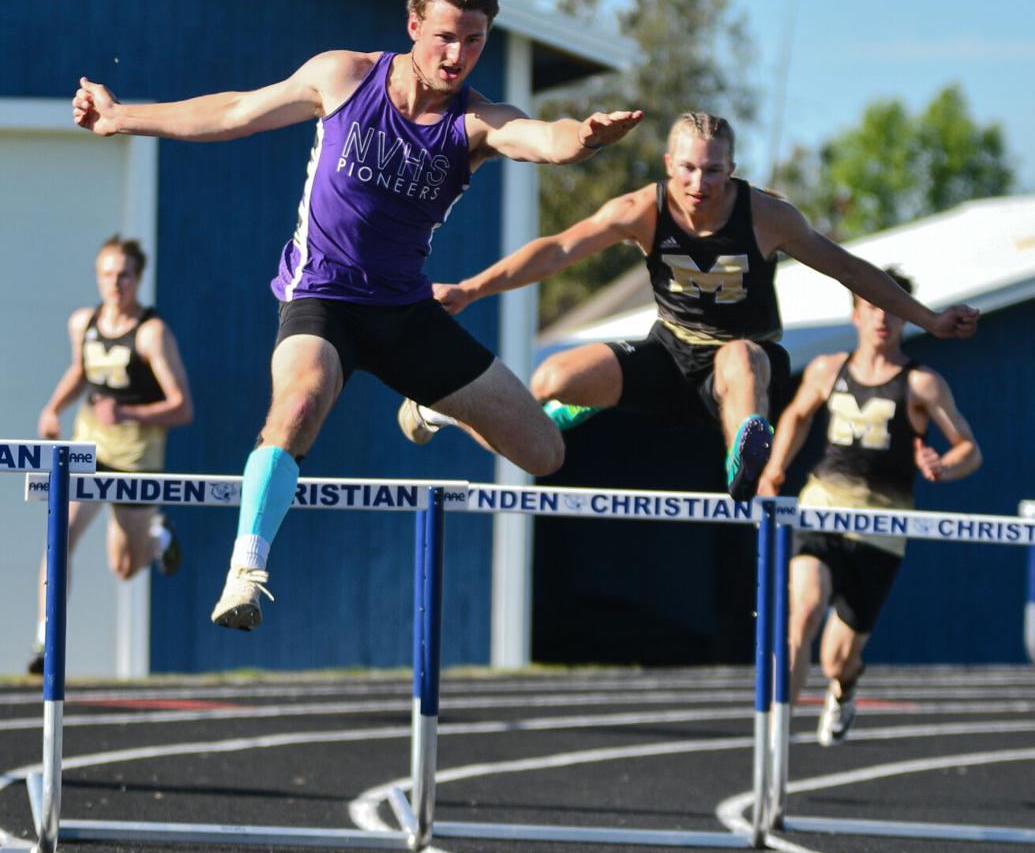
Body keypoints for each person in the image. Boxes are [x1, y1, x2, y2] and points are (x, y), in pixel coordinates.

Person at [72, 0, 642, 633]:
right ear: (413, 26)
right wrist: (122, 117)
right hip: (323, 297)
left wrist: (579, 138)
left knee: (546, 451)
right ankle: (246, 567)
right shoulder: (344, 75)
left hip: (404, 312)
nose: (458, 55)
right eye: (445, 37)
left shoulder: (475, 123)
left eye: (474, 40)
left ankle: (430, 410)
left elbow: (541, 138)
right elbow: (233, 110)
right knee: (299, 400)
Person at [398, 112, 979, 505]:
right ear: (668, 164)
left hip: (743, 363)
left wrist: (927, 319)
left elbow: (850, 270)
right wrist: (470, 289)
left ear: (733, 168)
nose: (700, 183)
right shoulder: (640, 210)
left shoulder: (768, 215)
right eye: (688, 168)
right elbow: (557, 252)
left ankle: (743, 459)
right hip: (668, 352)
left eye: (715, 170)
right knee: (552, 378)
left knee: (740, 357)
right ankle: (449, 413)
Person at [757, 269, 981, 745]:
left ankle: (846, 683)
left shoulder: (922, 384)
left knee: (838, 656)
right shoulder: (826, 369)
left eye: (893, 309)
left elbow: (970, 450)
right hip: (821, 510)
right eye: (873, 307)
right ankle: (773, 746)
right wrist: (773, 472)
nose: (882, 317)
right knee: (803, 613)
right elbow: (796, 415)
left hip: (881, 527)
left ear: (905, 319)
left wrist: (944, 465)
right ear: (856, 314)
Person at [31, 235, 194, 673]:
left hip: (136, 460)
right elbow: (82, 370)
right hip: (88, 452)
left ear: (138, 278)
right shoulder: (83, 322)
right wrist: (52, 408)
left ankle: (159, 538)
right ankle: (47, 640)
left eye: (123, 274)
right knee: (58, 536)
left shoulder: (151, 334)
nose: (114, 283)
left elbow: (183, 407)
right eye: (106, 274)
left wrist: (125, 411)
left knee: (124, 567)